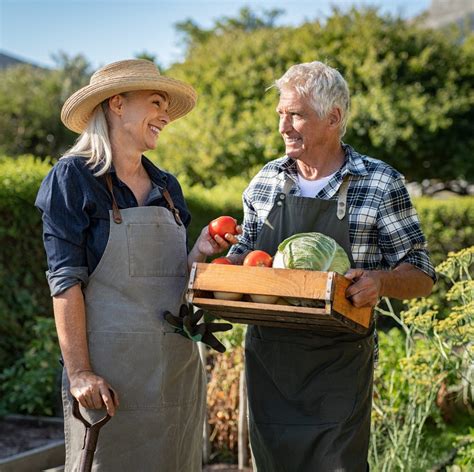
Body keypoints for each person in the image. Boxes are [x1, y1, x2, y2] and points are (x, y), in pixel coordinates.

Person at [227, 61, 436, 471]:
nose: (283, 127)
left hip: (339, 370)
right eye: (281, 115)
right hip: (270, 368)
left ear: (333, 117)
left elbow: (422, 273)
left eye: (296, 115)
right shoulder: (265, 181)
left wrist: (381, 281)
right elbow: (247, 260)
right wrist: (219, 255)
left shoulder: (379, 183)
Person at [35, 59, 236, 471]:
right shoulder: (73, 179)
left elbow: (170, 280)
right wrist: (79, 374)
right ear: (117, 104)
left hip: (176, 377)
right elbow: (65, 283)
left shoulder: (167, 187)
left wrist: (199, 251)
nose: (165, 115)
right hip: (111, 388)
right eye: (156, 102)